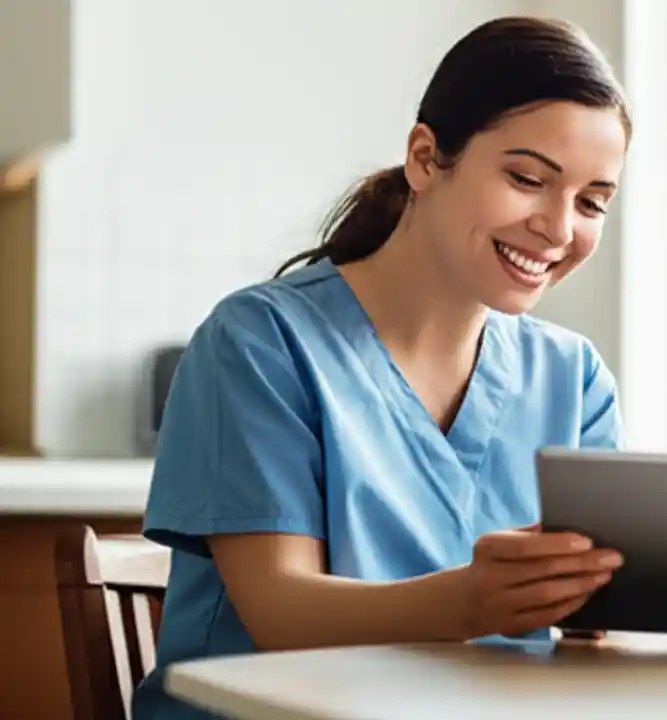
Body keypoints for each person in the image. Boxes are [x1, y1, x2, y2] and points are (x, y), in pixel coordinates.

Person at [134, 17, 630, 718]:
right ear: (426, 158)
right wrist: (471, 601)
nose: (557, 227)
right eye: (526, 178)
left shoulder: (574, 380)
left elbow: (593, 623)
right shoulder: (261, 344)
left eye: (591, 202)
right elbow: (281, 612)